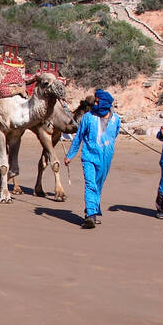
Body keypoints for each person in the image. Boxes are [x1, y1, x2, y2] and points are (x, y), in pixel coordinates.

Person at [63, 89, 120, 229]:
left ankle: (93, 210)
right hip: (89, 156)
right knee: (90, 184)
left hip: (106, 158)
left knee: (98, 185)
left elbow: (115, 135)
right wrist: (70, 155)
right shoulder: (88, 117)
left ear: (105, 103)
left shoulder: (115, 119)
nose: (94, 103)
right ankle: (90, 216)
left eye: (97, 101)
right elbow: (79, 137)